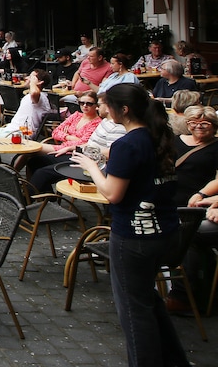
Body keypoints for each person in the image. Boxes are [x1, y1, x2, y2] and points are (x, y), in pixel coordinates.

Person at [71, 83, 189, 367]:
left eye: (106, 104)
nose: (102, 109)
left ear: (123, 110)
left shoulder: (128, 144)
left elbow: (112, 193)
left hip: (135, 238)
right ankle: (174, 361)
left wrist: (91, 167)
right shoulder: (158, 136)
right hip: (167, 230)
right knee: (148, 301)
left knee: (134, 313)